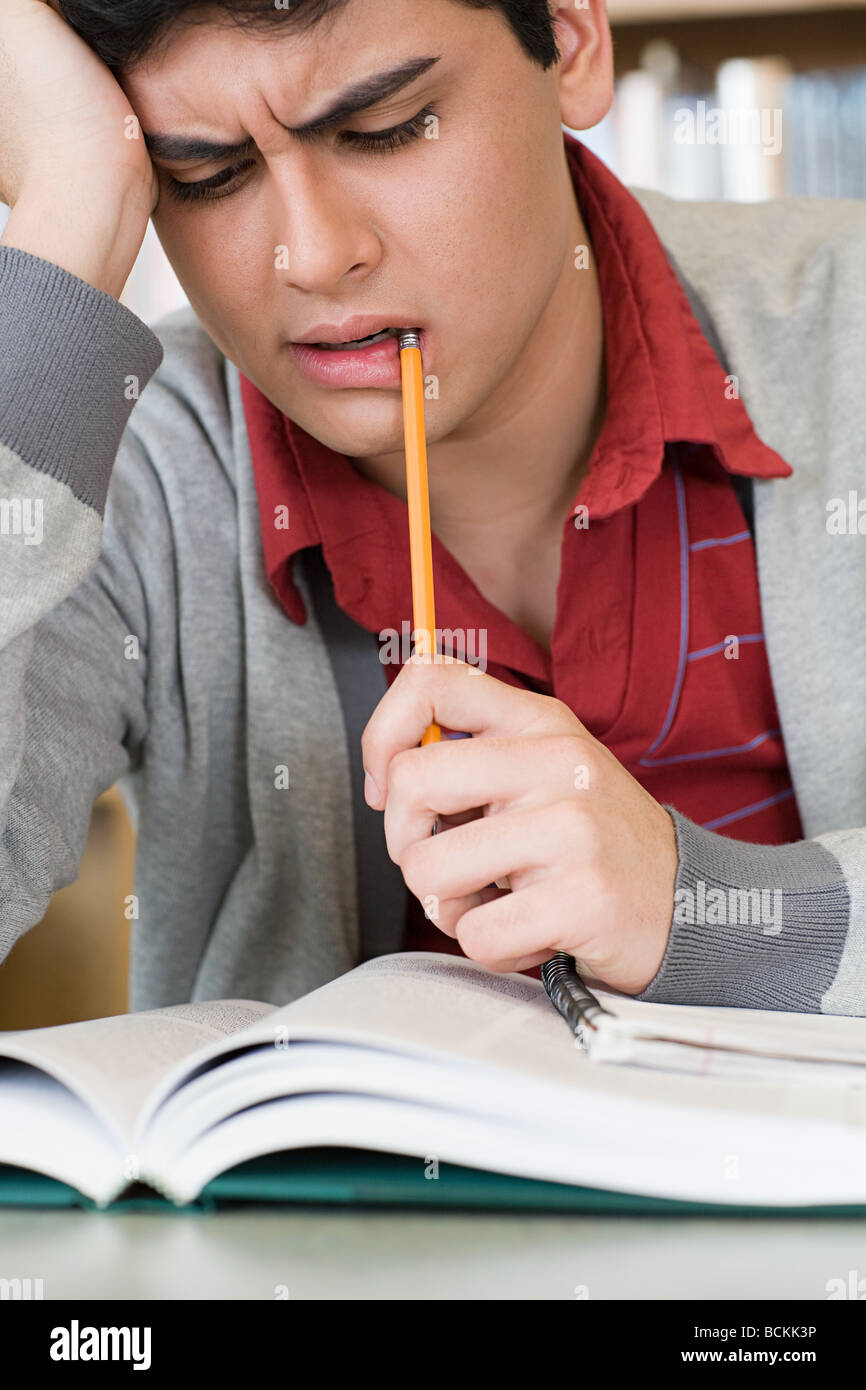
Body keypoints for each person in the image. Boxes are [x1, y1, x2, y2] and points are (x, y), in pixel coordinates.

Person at [0, 0, 863, 1015]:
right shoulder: (98, 468)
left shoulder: (843, 325)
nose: (315, 257)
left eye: (387, 128)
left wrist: (700, 909)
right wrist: (63, 218)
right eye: (205, 174)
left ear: (572, 39)